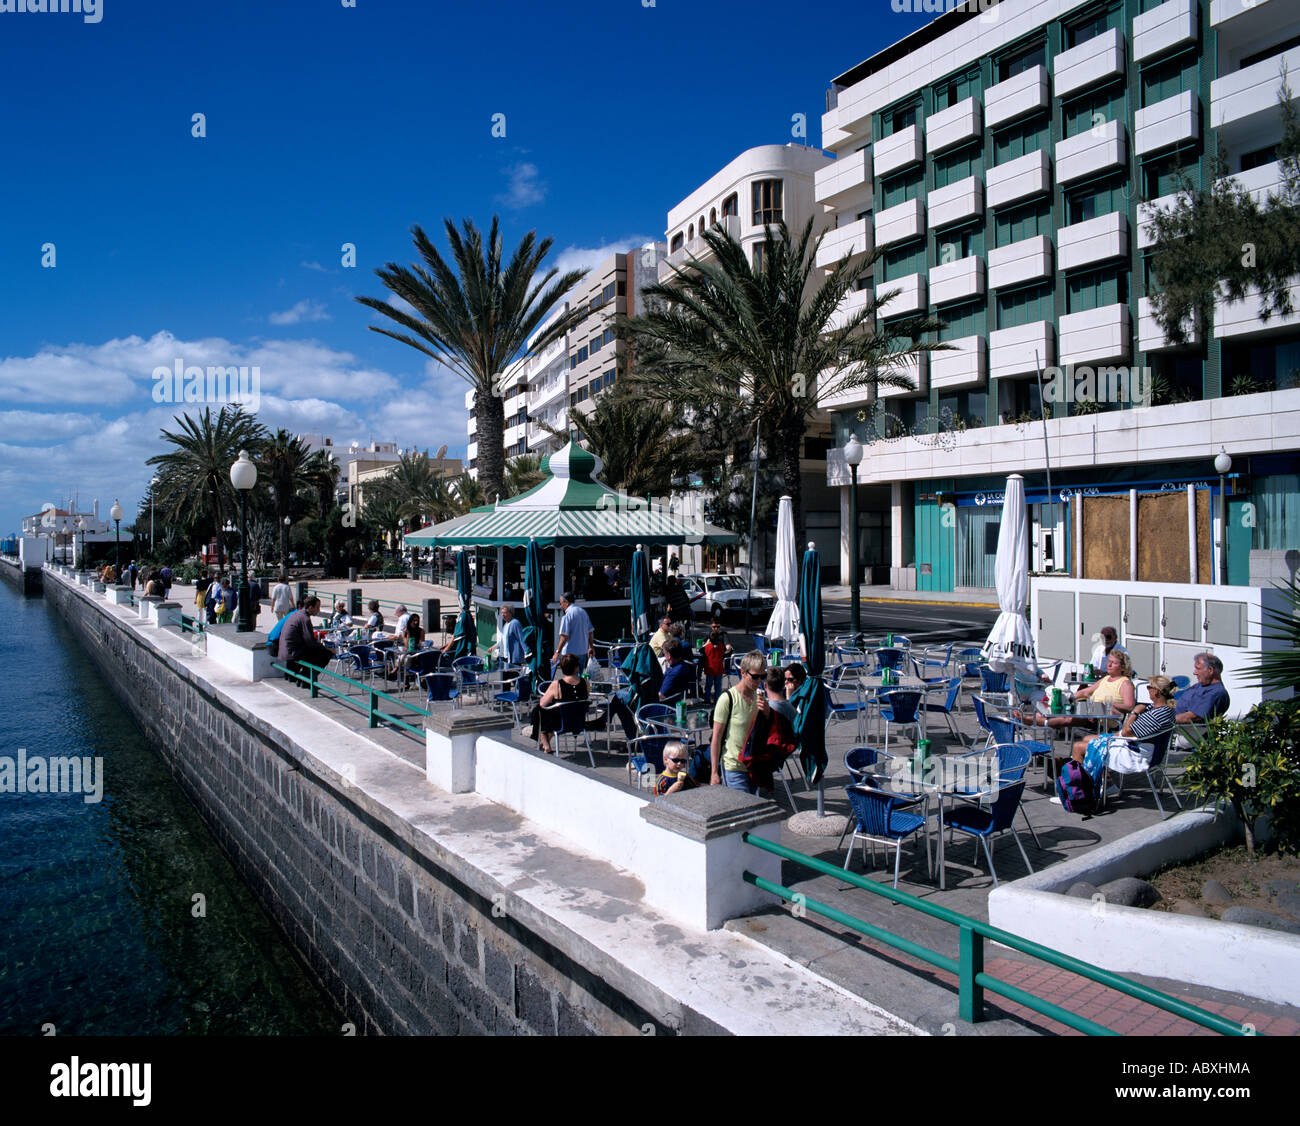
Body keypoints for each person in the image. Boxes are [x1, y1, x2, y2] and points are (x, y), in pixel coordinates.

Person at [1068, 675, 1177, 767]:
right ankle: (1107, 780)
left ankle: (1081, 786)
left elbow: (1126, 732)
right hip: (1141, 746)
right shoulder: (1165, 710)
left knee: (1078, 747)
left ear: (1156, 692)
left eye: (1149, 687)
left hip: (1136, 753)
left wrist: (1135, 712)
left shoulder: (1157, 714)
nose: (1148, 690)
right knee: (1087, 738)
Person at [710, 650, 768, 793]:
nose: (759, 681)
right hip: (733, 766)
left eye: (763, 676)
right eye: (755, 677)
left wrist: (767, 713)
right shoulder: (727, 699)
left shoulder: (759, 698)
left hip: (753, 765)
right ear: (743, 672)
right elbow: (716, 738)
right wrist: (714, 772)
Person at [740, 668, 799, 793]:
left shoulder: (765, 709)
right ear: (783, 684)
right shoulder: (791, 709)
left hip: (763, 755)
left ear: (765, 685)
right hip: (781, 751)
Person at [532, 653, 590, 755]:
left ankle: (545, 745)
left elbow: (542, 703)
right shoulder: (585, 682)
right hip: (578, 720)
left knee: (538, 710)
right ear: (577, 667)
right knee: (549, 713)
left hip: (561, 723)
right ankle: (545, 744)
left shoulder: (557, 684)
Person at [1175, 653, 1230, 733]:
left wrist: (1160, 719)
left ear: (1210, 670)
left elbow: (1190, 717)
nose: (1194, 673)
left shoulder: (1216, 693)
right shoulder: (1200, 685)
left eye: (1198, 669)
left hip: (1176, 732)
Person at [278, 596, 333, 669]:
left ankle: (305, 676)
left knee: (316, 652)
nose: (319, 610)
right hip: (292, 653)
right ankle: (308, 677)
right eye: (317, 607)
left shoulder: (297, 614)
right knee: (326, 654)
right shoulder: (305, 619)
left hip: (284, 651)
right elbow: (311, 641)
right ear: (310, 607)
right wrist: (327, 648)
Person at [552, 591, 594, 668]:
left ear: (566, 602)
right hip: (582, 652)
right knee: (578, 677)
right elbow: (590, 632)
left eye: (561, 603)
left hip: (570, 654)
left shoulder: (567, 615)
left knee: (570, 678)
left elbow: (564, 637)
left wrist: (557, 652)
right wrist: (591, 647)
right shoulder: (583, 612)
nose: (560, 606)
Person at [701, 623, 731, 705]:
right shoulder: (721, 646)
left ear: (709, 639)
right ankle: (717, 700)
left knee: (708, 686)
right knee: (718, 686)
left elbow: (701, 650)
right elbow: (727, 651)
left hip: (710, 669)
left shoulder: (707, 647)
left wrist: (706, 644)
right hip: (719, 669)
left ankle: (707, 700)